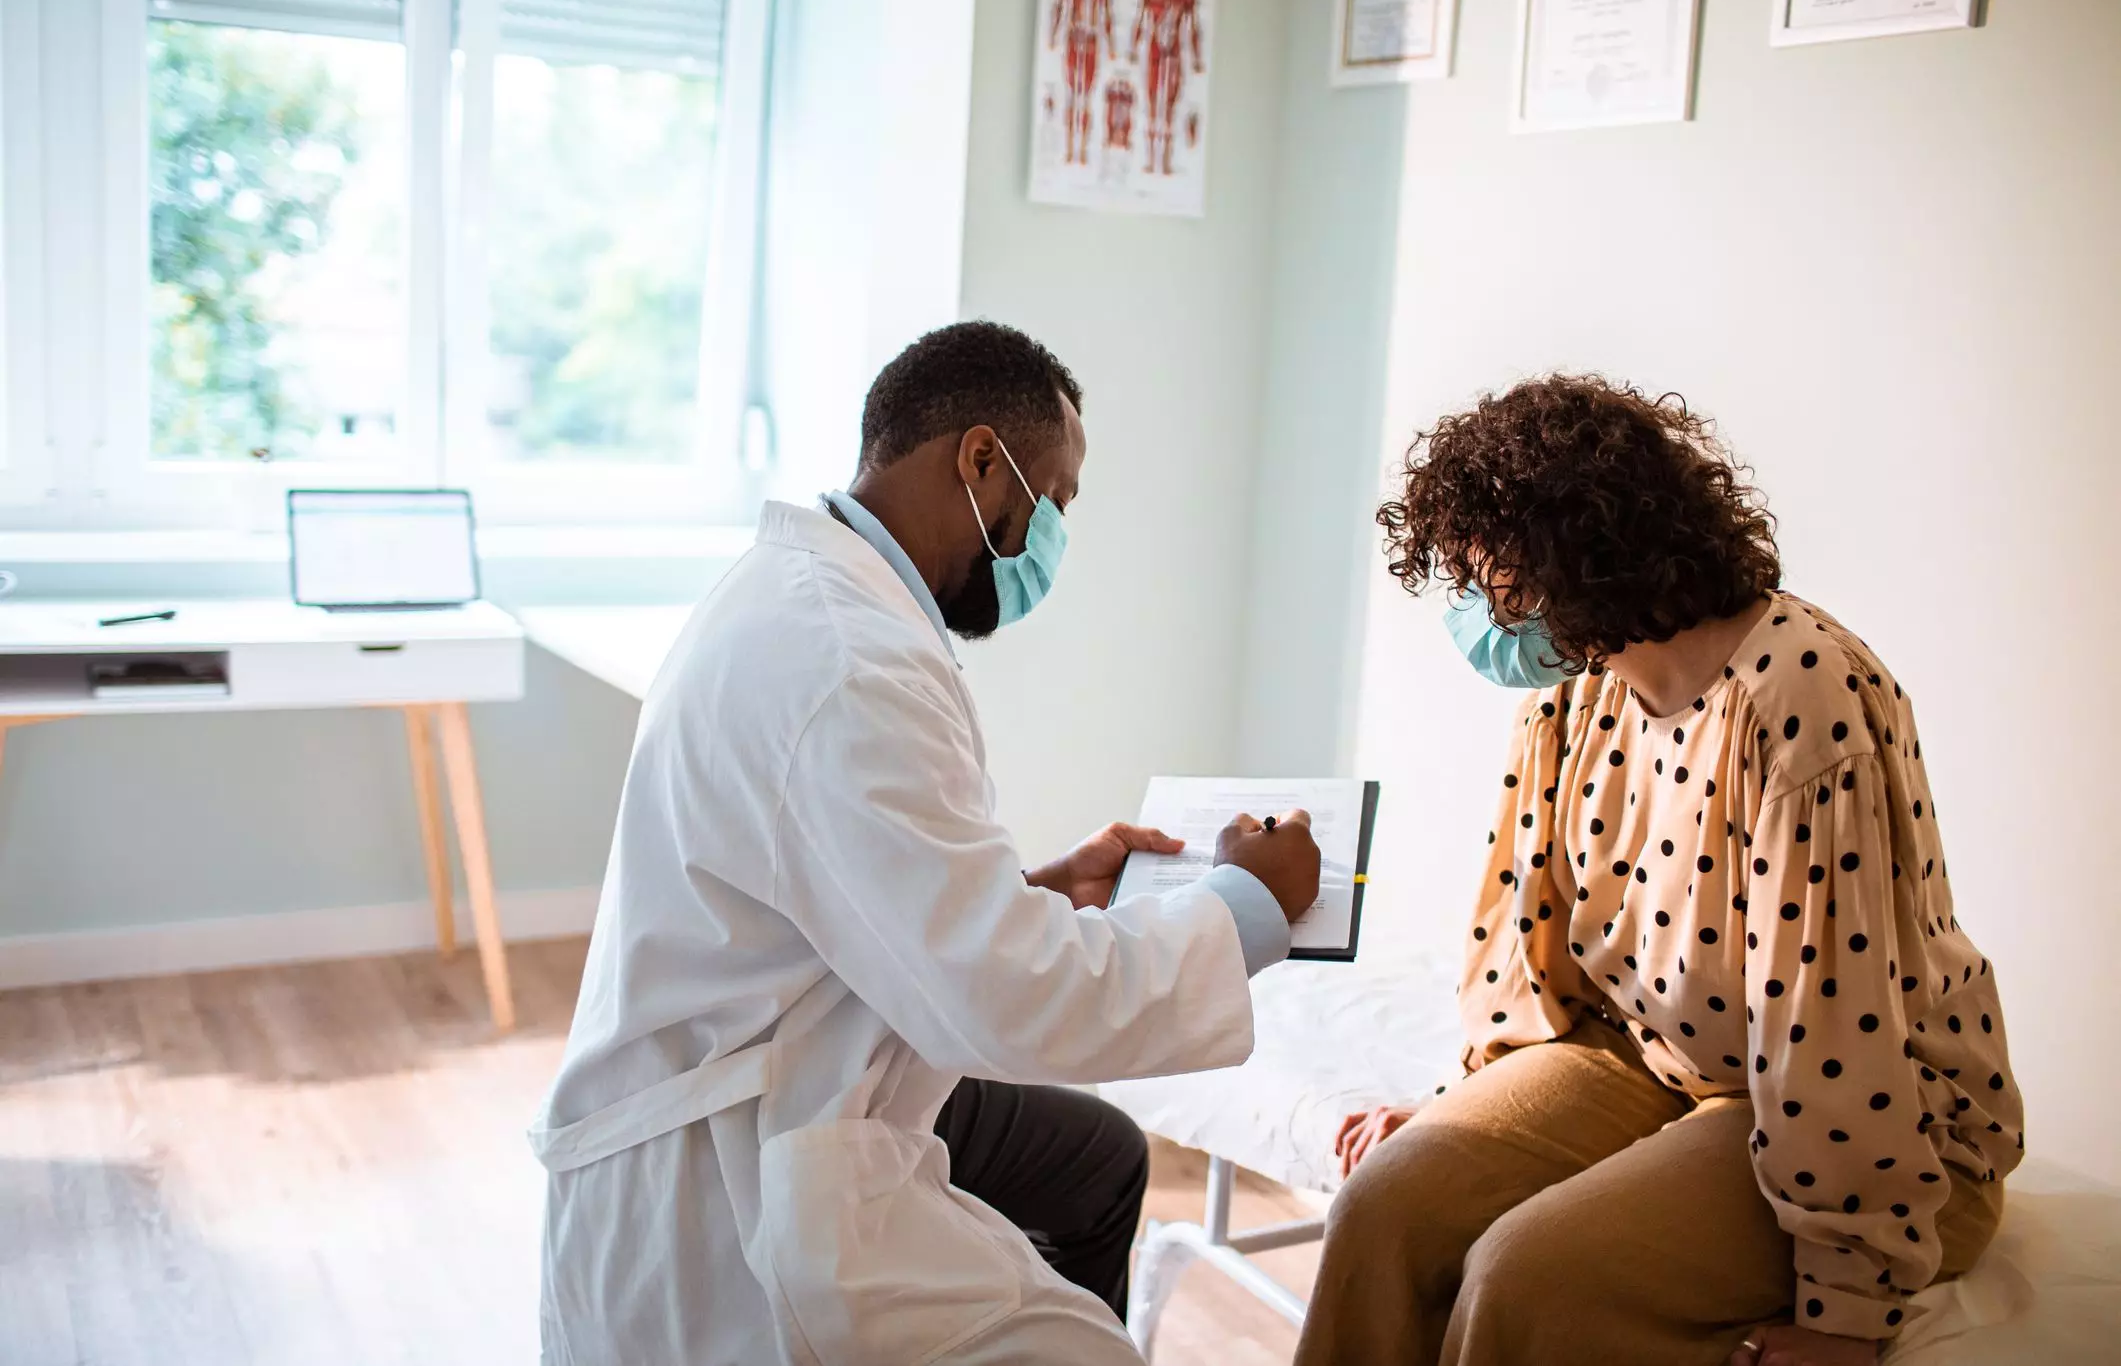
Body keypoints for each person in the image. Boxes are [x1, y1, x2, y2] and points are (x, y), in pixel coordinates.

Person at [531, 321, 1322, 1365]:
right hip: (742, 1153)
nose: (1053, 545)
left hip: (811, 1047)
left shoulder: (813, 592)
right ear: (982, 462)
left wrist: (1035, 885)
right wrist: (1246, 905)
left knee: (1095, 1158)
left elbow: (843, 878)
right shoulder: (851, 661)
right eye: (1057, 502)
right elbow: (1009, 998)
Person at [1295, 376, 2022, 1366]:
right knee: (1383, 1209)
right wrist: (1463, 1107)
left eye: (1480, 569)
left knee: (1528, 1271)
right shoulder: (1573, 696)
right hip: (1643, 1061)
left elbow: (1832, 1022)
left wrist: (1845, 1312)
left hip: (1861, 1115)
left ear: (1576, 554)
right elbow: (1528, 947)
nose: (1469, 601)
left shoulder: (1803, 702)